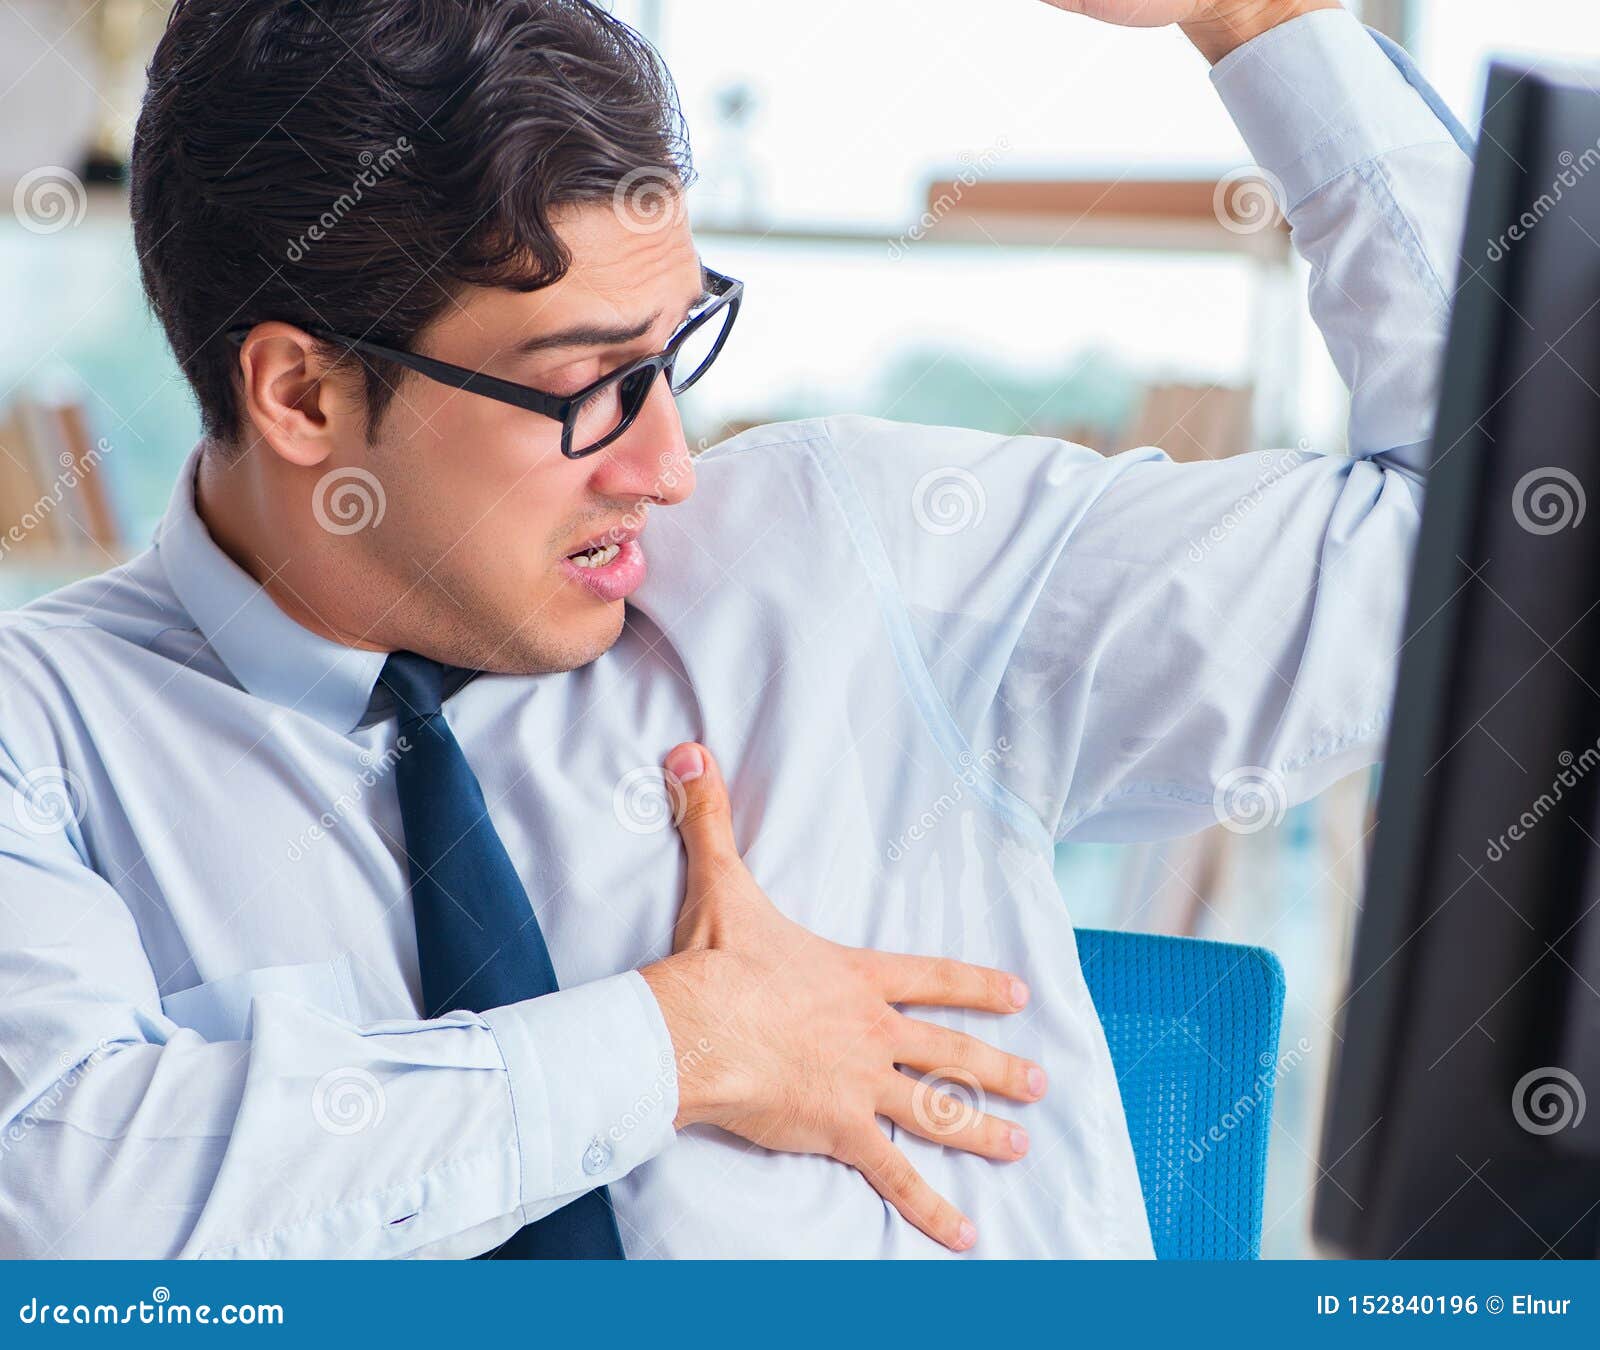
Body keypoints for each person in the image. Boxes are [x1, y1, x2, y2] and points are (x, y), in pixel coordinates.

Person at [0, 0, 1470, 1258]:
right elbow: (54, 1204)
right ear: (303, 397)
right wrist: (677, 1044)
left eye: (677, 350)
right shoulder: (44, 731)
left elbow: (1490, 552)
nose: (666, 463)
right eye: (584, 384)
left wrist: (1272, 33)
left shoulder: (852, 558)